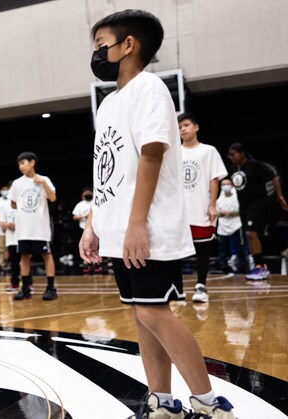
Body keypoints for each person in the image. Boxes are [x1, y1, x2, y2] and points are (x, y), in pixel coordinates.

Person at [80, 10, 235, 417]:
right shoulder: (110, 102)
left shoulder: (148, 88)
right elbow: (106, 168)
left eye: (101, 46)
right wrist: (94, 223)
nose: (96, 55)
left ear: (127, 45)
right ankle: (163, 402)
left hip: (145, 228)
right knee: (142, 315)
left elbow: (151, 154)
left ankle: (208, 404)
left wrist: (135, 224)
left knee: (153, 312)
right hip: (118, 229)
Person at [178, 113, 228, 303]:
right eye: (180, 127)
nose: (183, 129)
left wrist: (212, 204)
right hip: (179, 212)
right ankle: (177, 287)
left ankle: (201, 286)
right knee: (177, 252)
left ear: (196, 127)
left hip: (200, 208)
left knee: (202, 250)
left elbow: (213, 178)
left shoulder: (208, 151)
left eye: (186, 125)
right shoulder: (175, 153)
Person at [227, 142, 288, 280]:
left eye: (234, 154)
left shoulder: (254, 165)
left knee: (250, 232)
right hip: (243, 206)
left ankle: (261, 267)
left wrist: (280, 196)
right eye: (229, 155)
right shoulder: (232, 169)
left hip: (258, 203)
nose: (231, 157)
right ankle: (259, 266)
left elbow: (274, 178)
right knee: (249, 235)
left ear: (242, 153)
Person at [9, 152, 57, 301]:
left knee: (46, 256)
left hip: (40, 228)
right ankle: (25, 288)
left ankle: (51, 288)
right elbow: (13, 203)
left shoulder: (44, 180)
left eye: (23, 163)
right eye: (19, 164)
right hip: (24, 228)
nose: (20, 166)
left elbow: (53, 198)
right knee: (24, 257)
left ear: (32, 162)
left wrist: (42, 182)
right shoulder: (17, 183)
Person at [216, 178, 253, 273]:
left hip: (236, 224)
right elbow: (217, 212)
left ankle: (243, 261)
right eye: (223, 184)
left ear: (232, 185)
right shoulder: (219, 199)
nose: (225, 186)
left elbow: (240, 211)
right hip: (223, 226)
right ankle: (222, 263)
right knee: (222, 246)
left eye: (227, 184)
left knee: (240, 244)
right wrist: (224, 213)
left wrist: (231, 213)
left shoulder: (237, 196)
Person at [72, 187, 100, 274]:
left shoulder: (96, 202)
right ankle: (88, 263)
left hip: (97, 229)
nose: (88, 193)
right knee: (85, 248)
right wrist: (84, 216)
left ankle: (97, 264)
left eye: (89, 192)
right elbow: (74, 216)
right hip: (83, 229)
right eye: (86, 192)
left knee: (97, 248)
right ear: (83, 195)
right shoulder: (80, 204)